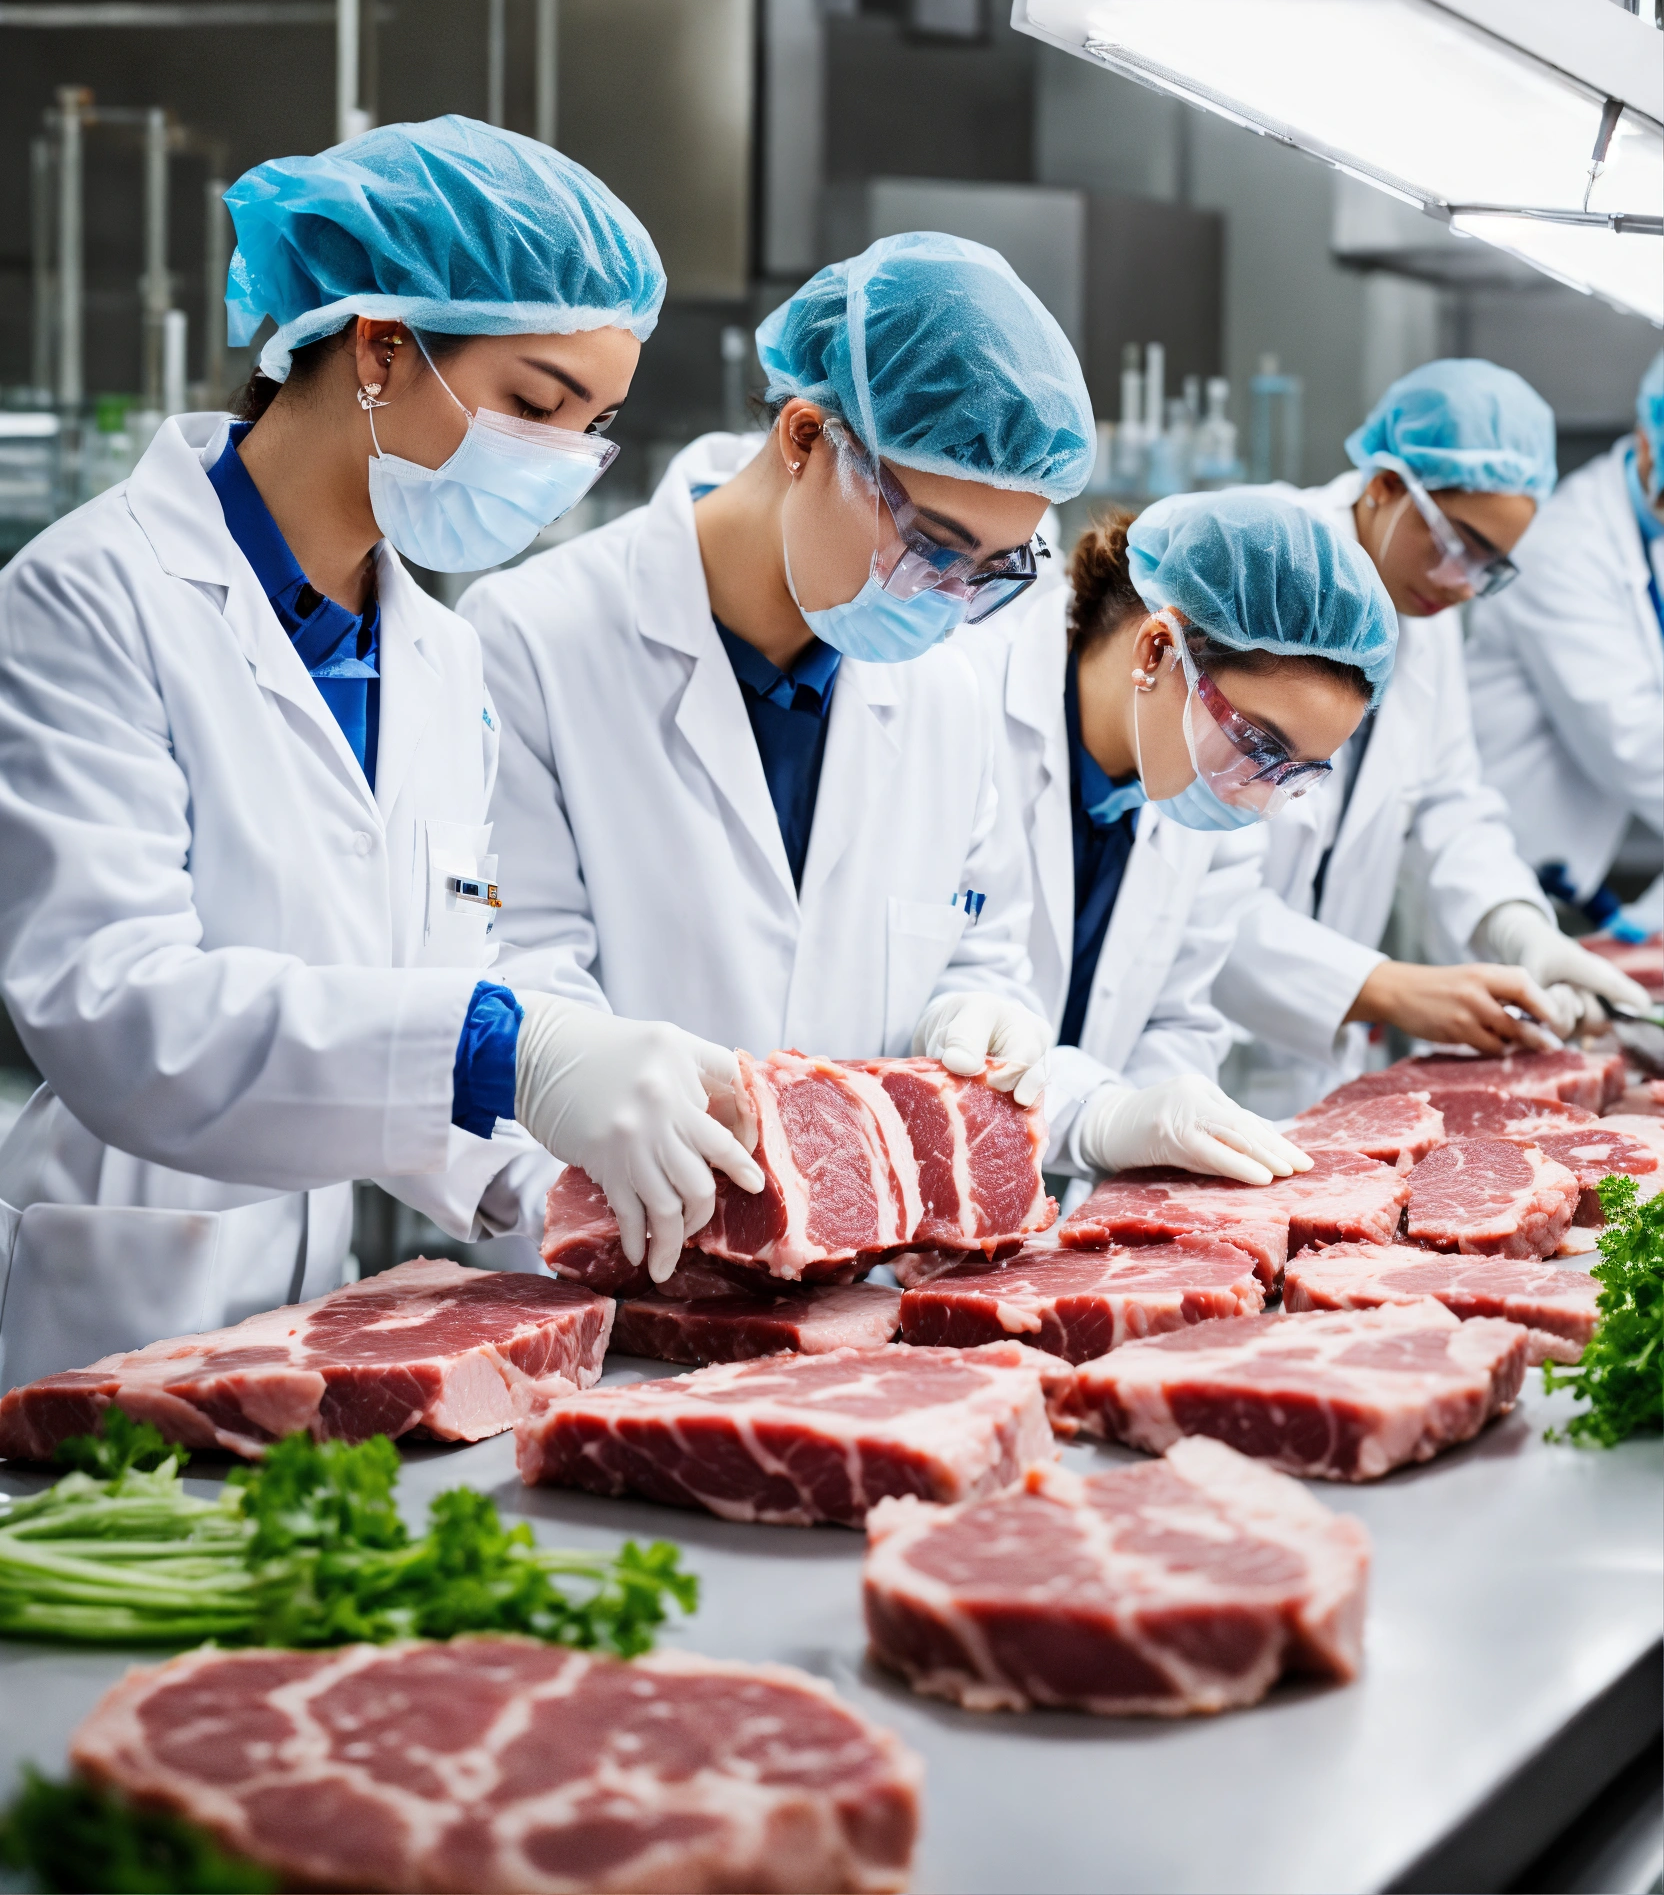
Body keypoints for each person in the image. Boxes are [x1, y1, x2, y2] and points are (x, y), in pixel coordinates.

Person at [0, 115, 762, 1389]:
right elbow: (117, 1009)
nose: (565, 461)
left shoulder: (437, 657)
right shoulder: (89, 595)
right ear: (378, 345)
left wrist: (588, 1192)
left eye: (596, 423)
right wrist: (502, 1048)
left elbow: (416, 1010)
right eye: (535, 403)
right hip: (116, 1295)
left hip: (323, 1329)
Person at [464, 232, 1094, 1255]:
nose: (949, 595)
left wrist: (976, 1007)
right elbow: (509, 976)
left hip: (852, 1285)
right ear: (803, 438)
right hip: (608, 1263)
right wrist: (611, 1206)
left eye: (990, 568)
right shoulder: (534, 638)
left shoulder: (945, 685)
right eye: (933, 545)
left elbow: (973, 932)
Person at [1213, 358, 1653, 1116]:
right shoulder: (1261, 569)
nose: (1460, 583)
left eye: (1488, 566)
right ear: (1383, 485)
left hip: (1319, 1070)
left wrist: (1521, 931)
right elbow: (1191, 878)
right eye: (1458, 543)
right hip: (1191, 1044)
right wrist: (1387, 988)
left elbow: (1450, 807)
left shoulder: (1418, 619)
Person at [966, 491, 1392, 1191]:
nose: (1263, 796)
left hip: (1059, 1216)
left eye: (1297, 774)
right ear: (1158, 649)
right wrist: (1102, 1115)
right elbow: (956, 1004)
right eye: (1258, 744)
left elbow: (1180, 1018)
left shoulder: (1206, 803)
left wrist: (1143, 1122)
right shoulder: (971, 714)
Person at [1467, 352, 1664, 944]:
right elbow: (1632, 740)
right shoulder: (1564, 548)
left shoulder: (1648, 530)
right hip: (1499, 861)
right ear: (1647, 445)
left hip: (1577, 869)